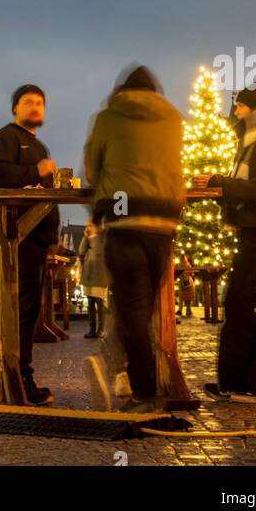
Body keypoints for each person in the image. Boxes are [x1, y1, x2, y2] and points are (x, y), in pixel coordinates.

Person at [83, 64, 185, 415]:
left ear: (121, 91)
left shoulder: (109, 118)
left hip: (125, 221)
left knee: (133, 311)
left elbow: (93, 168)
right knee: (149, 309)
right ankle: (141, 377)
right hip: (164, 224)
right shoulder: (173, 119)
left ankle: (142, 391)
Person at [196, 83, 256, 403]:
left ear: (255, 111)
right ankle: (239, 382)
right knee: (245, 307)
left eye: (240, 107)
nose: (236, 112)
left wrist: (219, 185)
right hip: (252, 233)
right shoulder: (254, 142)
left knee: (254, 308)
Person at [0, 83, 59, 405]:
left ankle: (21, 374)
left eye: (40, 102)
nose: (35, 107)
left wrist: (51, 237)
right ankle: (15, 376)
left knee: (29, 309)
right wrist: (35, 170)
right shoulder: (5, 138)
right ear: (15, 108)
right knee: (18, 309)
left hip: (35, 239)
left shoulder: (38, 144)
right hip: (15, 237)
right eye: (28, 102)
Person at [78, 224, 108, 338]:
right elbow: (81, 250)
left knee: (99, 304)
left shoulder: (102, 236)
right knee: (90, 303)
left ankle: (100, 330)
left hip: (99, 274)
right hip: (89, 274)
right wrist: (86, 237)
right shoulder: (88, 238)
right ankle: (92, 329)